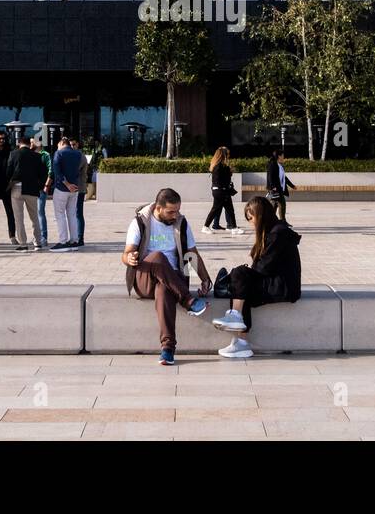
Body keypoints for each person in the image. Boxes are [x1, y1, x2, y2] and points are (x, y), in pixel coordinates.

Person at [121, 188, 211, 366]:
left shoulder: (181, 223)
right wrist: (129, 258)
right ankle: (187, 300)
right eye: (171, 211)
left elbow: (191, 253)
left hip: (172, 279)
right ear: (158, 208)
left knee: (164, 289)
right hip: (144, 278)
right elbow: (125, 255)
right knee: (157, 256)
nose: (175, 215)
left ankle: (167, 349)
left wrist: (205, 279)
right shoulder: (140, 222)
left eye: (178, 210)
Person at [212, 196, 303, 358]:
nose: (250, 222)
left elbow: (263, 268)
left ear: (260, 216)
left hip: (284, 287)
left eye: (251, 218)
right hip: (276, 283)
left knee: (240, 276)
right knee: (240, 286)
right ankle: (241, 342)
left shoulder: (278, 234)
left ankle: (236, 321)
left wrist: (239, 274)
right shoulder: (271, 232)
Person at [5, 137, 47, 250]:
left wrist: (7, 185)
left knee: (19, 218)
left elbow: (8, 171)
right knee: (34, 217)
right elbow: (43, 174)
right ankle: (38, 242)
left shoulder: (13, 154)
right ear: (30, 144)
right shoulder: (37, 156)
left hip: (17, 188)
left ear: (19, 143)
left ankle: (23, 244)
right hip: (32, 189)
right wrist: (38, 186)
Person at [50, 137, 85, 250]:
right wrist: (71, 185)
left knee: (60, 215)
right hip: (74, 189)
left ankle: (63, 242)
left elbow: (57, 171)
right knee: (72, 215)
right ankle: (74, 241)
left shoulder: (58, 153)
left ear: (61, 143)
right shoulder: (78, 154)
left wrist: (66, 183)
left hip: (62, 188)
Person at [204, 146, 241, 232]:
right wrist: (229, 172)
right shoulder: (220, 167)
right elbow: (223, 180)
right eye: (227, 154)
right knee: (217, 209)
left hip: (220, 191)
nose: (228, 156)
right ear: (223, 155)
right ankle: (206, 226)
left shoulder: (218, 166)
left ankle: (233, 227)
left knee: (228, 209)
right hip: (221, 191)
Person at [32, 138, 53, 245]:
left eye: (32, 142)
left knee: (40, 212)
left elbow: (51, 171)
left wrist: (46, 185)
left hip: (41, 188)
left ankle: (43, 237)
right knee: (34, 213)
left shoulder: (45, 155)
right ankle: (36, 236)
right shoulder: (29, 154)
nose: (30, 144)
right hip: (31, 188)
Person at [71, 138, 88, 247]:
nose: (72, 146)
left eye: (74, 144)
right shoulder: (72, 156)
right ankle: (75, 236)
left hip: (79, 188)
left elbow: (75, 170)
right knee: (73, 213)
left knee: (78, 213)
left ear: (78, 145)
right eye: (70, 144)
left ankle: (80, 237)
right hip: (73, 188)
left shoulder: (80, 156)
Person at [266, 149, 289, 222]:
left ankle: (269, 221)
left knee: (274, 206)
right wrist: (273, 187)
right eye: (282, 156)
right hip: (275, 188)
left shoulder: (278, 165)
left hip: (278, 188)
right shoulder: (272, 164)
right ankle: (282, 221)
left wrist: (291, 185)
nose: (283, 157)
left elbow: (283, 177)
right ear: (279, 156)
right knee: (282, 204)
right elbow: (270, 176)